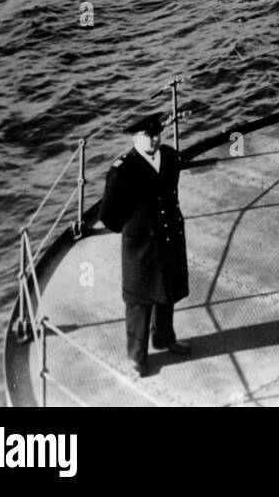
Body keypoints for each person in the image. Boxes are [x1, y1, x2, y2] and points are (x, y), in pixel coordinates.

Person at [100, 111, 190, 377]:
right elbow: (110, 217)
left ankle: (164, 338)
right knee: (139, 302)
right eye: (148, 136)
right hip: (141, 245)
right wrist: (137, 226)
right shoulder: (123, 170)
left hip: (169, 236)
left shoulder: (171, 157)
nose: (154, 140)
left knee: (168, 292)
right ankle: (136, 357)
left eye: (157, 134)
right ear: (136, 138)